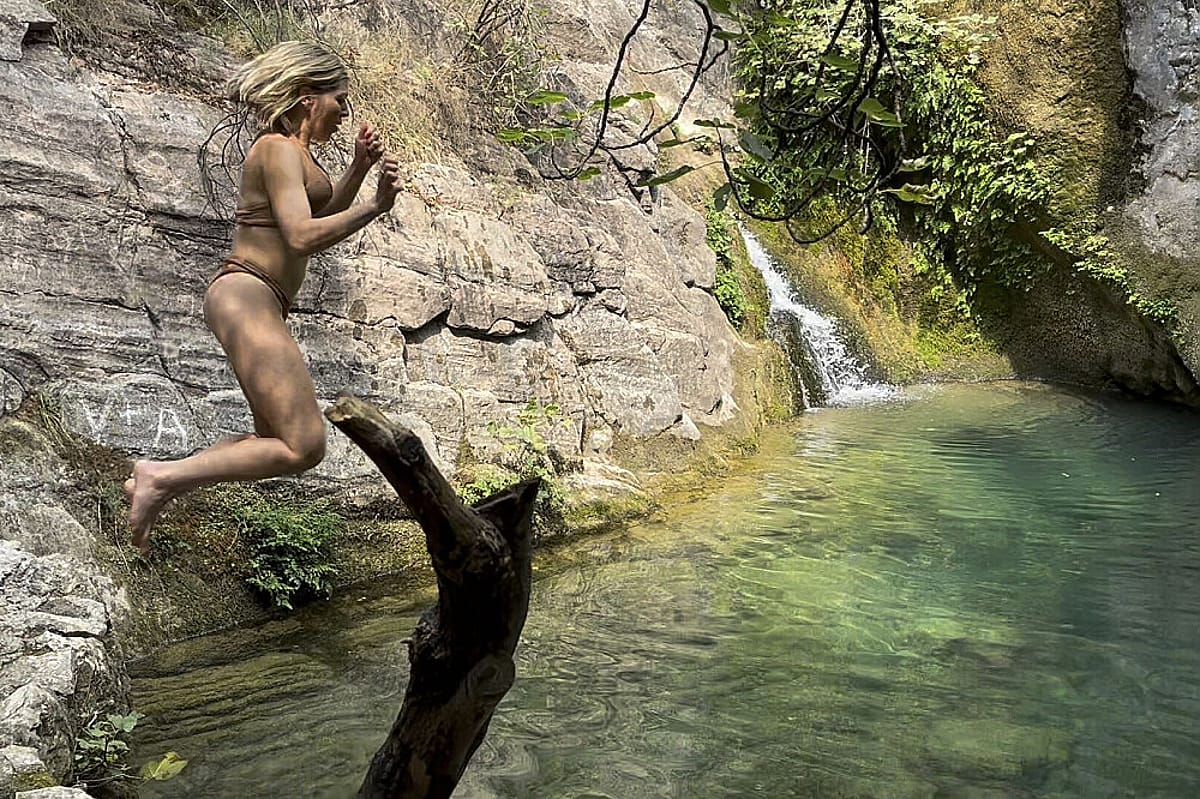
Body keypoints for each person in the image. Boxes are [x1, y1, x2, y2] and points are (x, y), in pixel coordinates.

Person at [124, 40, 404, 554]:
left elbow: (313, 216)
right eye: (340, 99)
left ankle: (157, 486)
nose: (345, 113)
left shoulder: (294, 153)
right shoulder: (275, 148)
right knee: (305, 444)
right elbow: (299, 237)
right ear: (308, 98)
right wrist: (375, 207)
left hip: (257, 299)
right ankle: (157, 478)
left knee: (272, 442)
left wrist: (358, 170)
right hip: (247, 295)